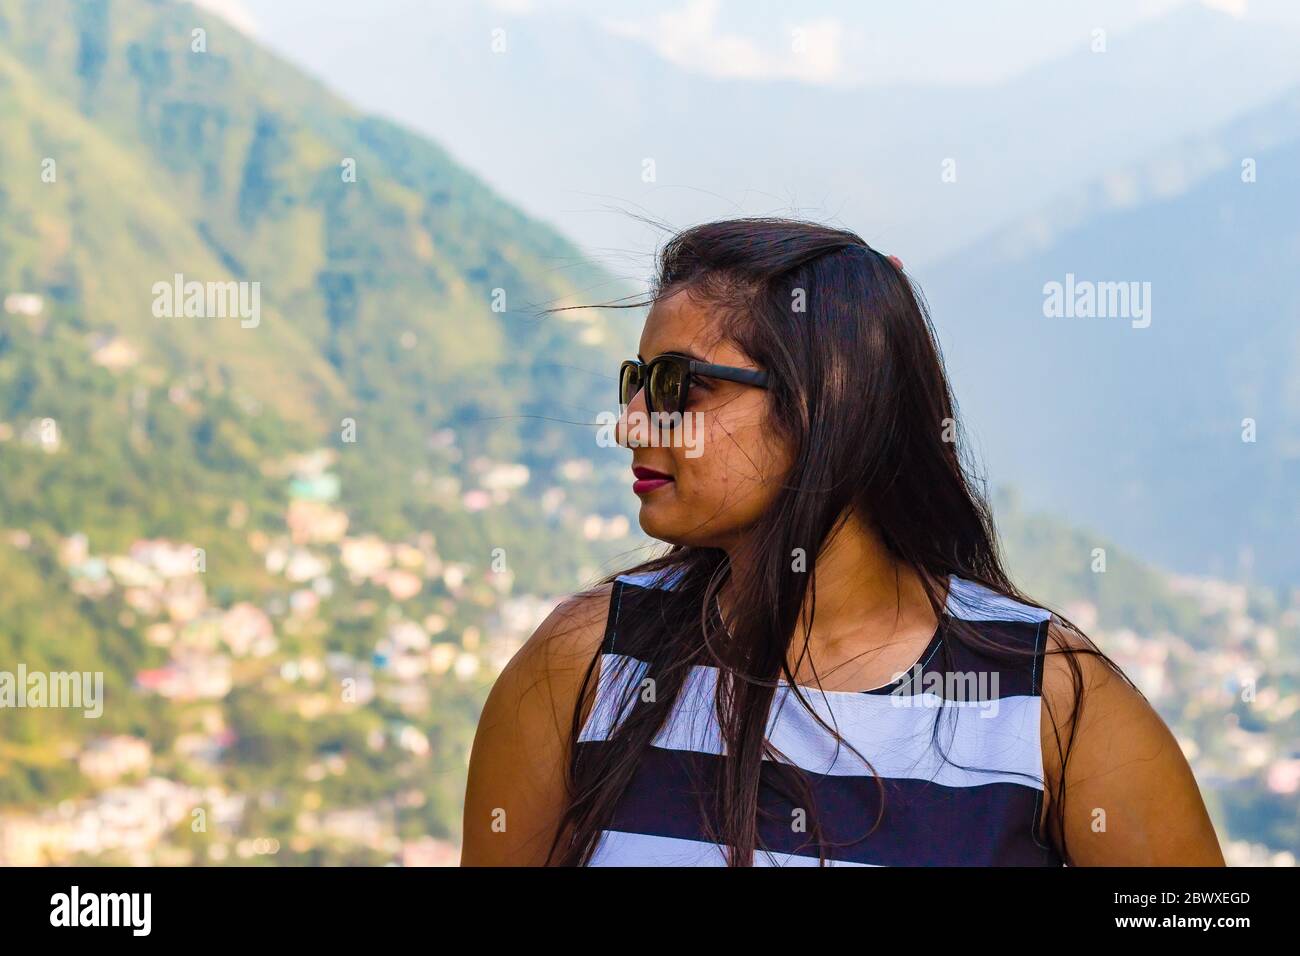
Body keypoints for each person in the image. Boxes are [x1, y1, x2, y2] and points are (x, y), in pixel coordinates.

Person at [461, 218, 1224, 867]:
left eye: (676, 385)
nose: (631, 423)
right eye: (634, 383)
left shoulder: (1049, 703)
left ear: (830, 400)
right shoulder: (588, 664)